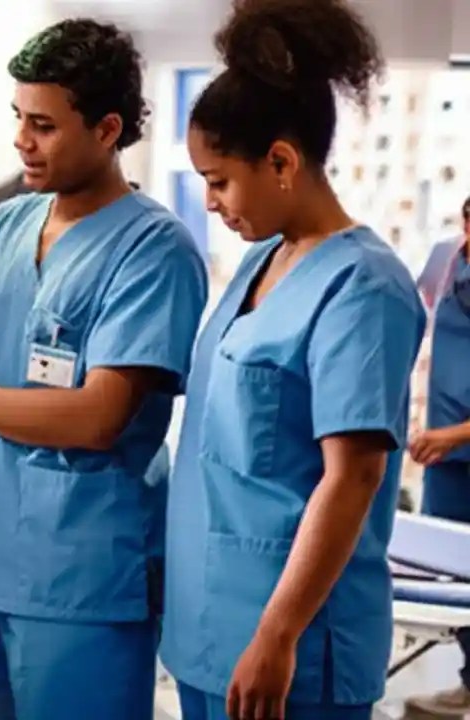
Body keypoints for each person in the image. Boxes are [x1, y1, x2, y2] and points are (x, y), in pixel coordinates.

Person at [0, 20, 207, 719]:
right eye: (17, 119)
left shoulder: (153, 250)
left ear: (107, 128)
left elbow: (98, 417)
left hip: (81, 581)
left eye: (43, 124)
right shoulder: (4, 228)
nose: (20, 141)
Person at [158, 1, 426, 718]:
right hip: (208, 627)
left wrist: (277, 634)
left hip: (293, 646)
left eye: (218, 181)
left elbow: (354, 476)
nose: (210, 202)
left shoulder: (363, 286)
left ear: (281, 160)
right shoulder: (260, 266)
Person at [404, 194, 470, 718]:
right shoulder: (445, 260)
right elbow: (414, 323)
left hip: (455, 438)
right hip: (444, 450)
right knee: (450, 570)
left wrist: (453, 435)